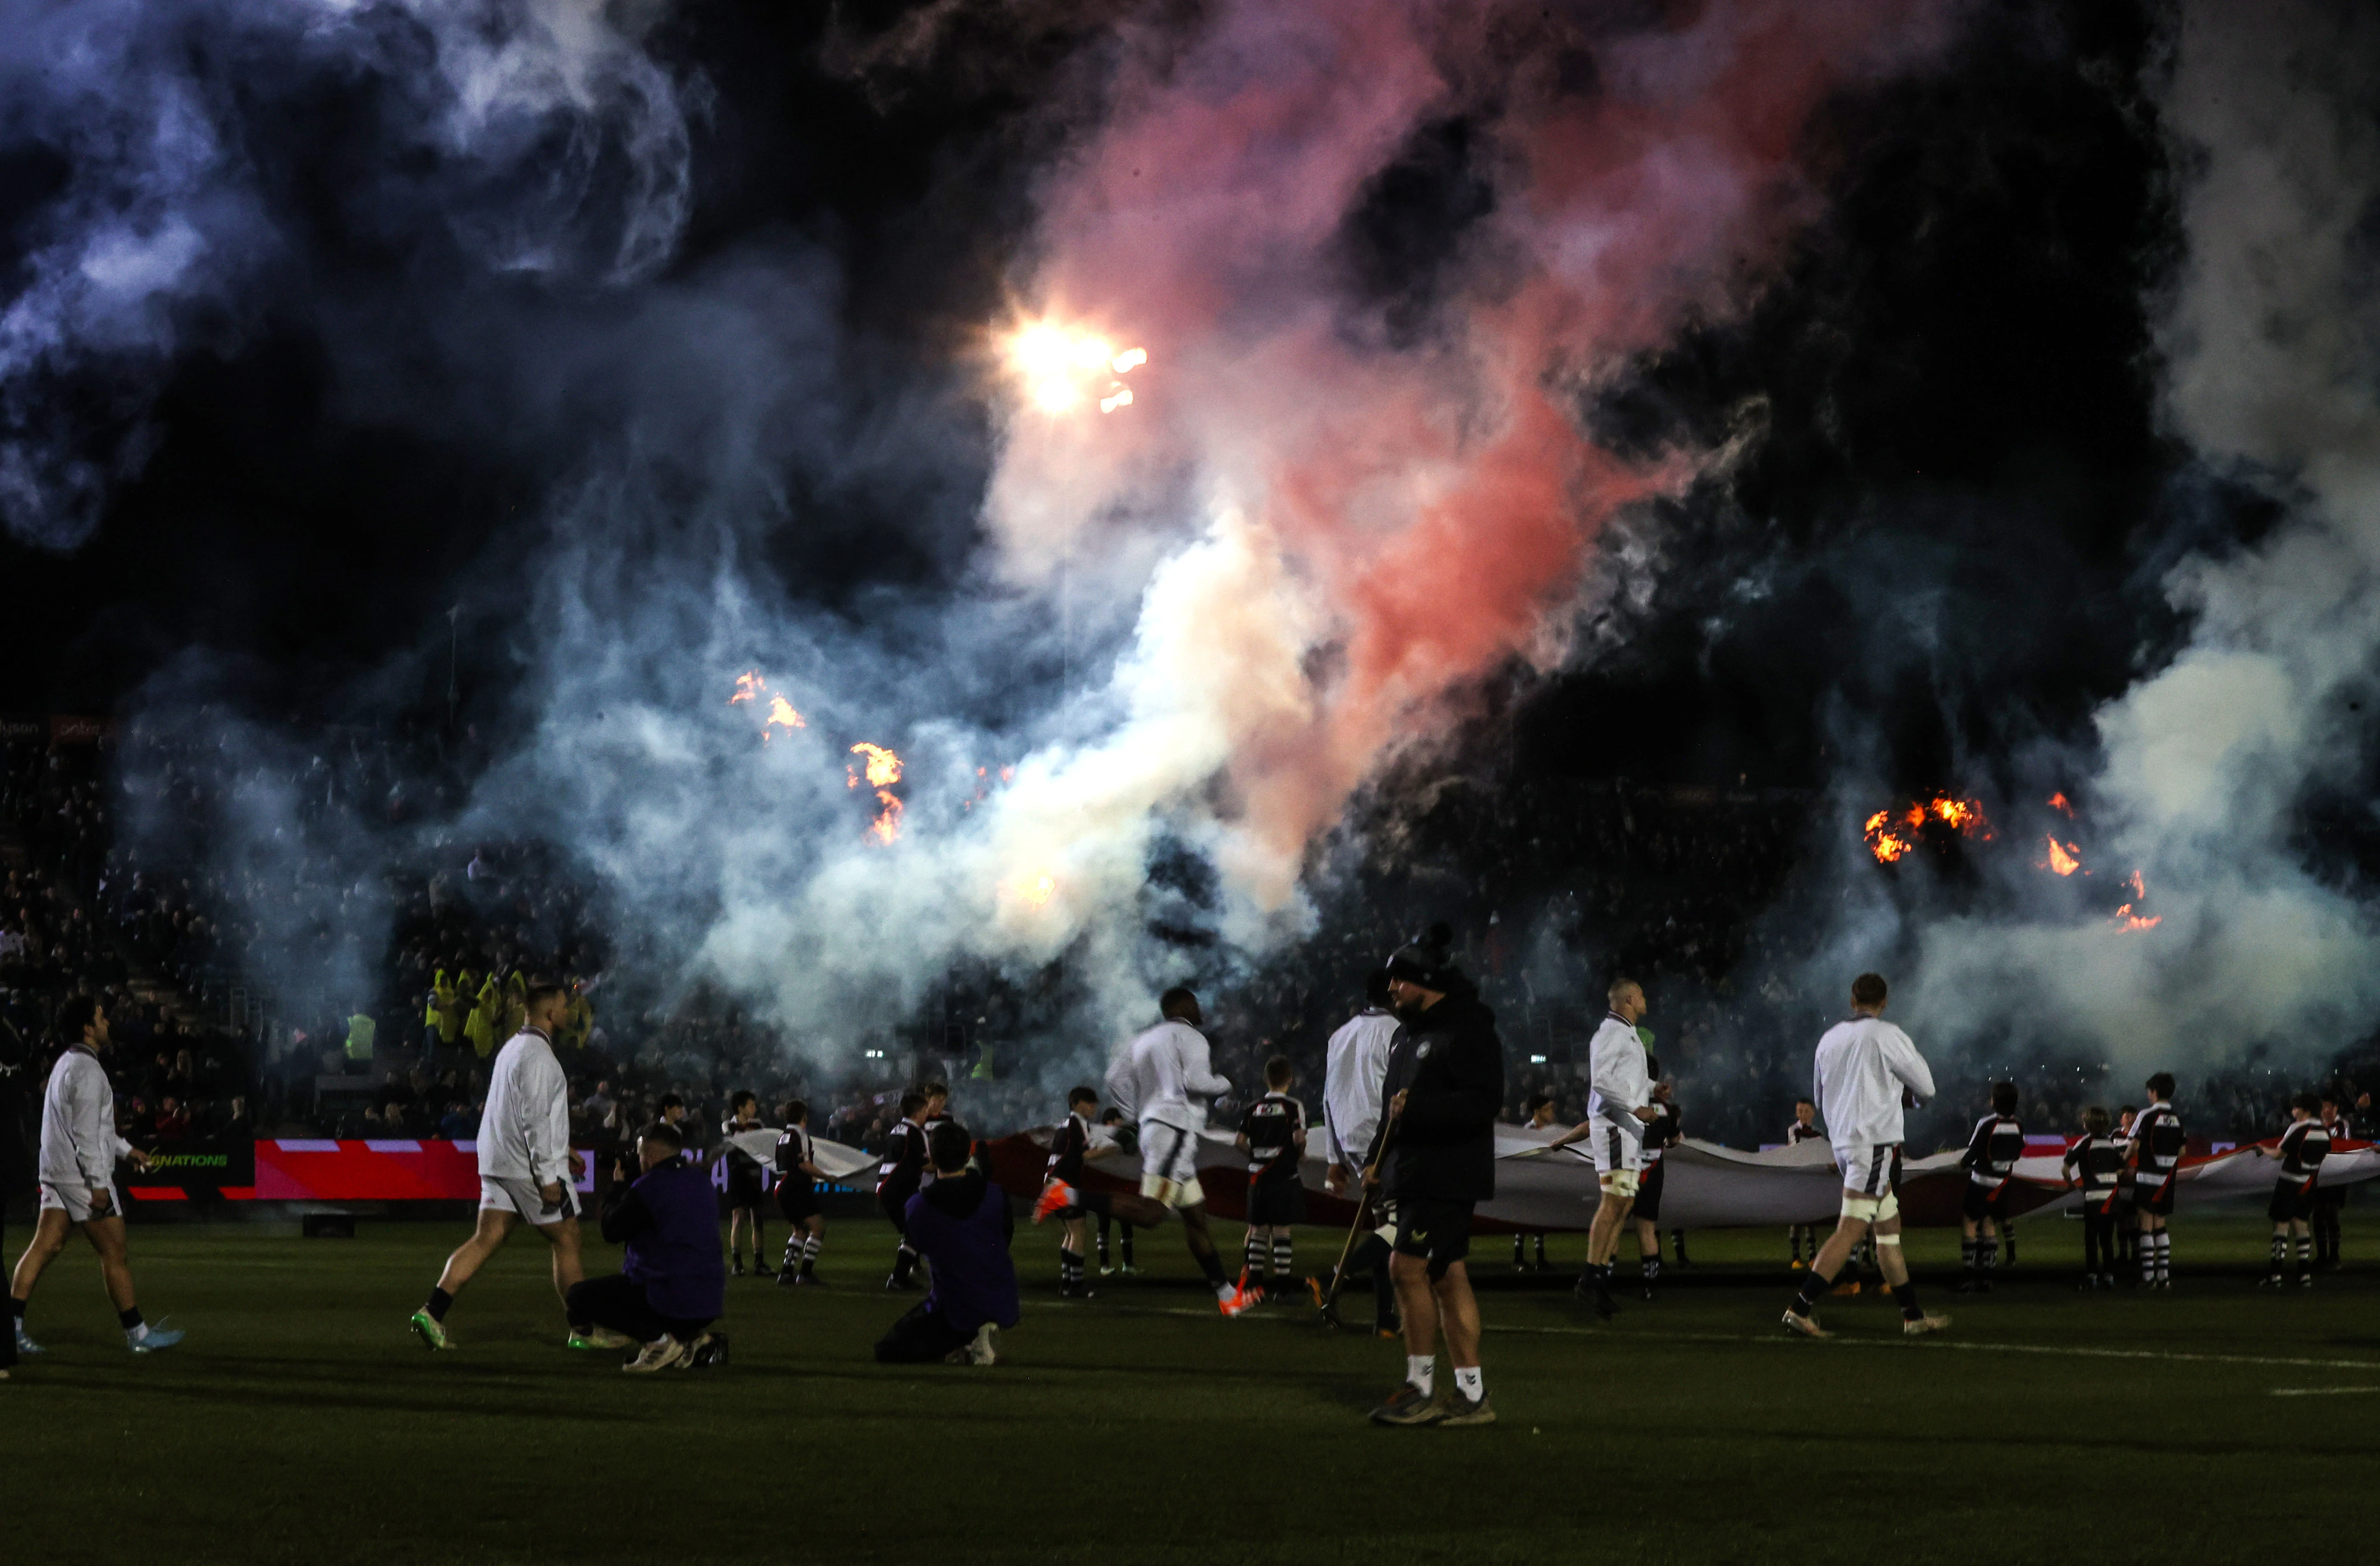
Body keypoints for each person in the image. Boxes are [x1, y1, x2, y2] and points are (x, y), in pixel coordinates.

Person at [1364, 925, 1502, 1429]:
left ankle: (1420, 1387)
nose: (1392, 989)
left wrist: (1418, 1109)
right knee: (1447, 1275)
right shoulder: (1405, 1035)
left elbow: (1483, 1102)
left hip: (1448, 1171)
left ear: (1425, 979)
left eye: (1399, 980)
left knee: (1405, 1269)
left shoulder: (1468, 1029)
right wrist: (1374, 1159)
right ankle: (1471, 1393)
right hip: (1414, 1170)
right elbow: (1393, 1108)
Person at [8, 995, 184, 1366]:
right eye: (101, 1016)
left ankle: (11, 1326)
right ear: (88, 1028)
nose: (107, 1021)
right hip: (81, 1179)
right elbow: (87, 1135)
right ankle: (138, 1334)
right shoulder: (88, 1071)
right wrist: (99, 1185)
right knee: (114, 1252)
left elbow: (86, 1127)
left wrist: (125, 1150)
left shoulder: (66, 1065)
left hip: (57, 1171)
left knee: (47, 1245)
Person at [408, 979, 584, 1350]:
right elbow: (534, 1116)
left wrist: (562, 1148)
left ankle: (432, 1311)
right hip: (526, 1168)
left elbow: (512, 1110)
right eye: (565, 1006)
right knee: (567, 1238)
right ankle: (584, 1331)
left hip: (498, 1160)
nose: (569, 1011)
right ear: (551, 1013)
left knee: (486, 1237)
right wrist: (547, 1174)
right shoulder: (538, 1056)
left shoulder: (512, 1048)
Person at [1781, 973, 1949, 1340]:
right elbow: (1927, 1089)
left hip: (1844, 1142)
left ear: (1852, 1000)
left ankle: (1912, 1315)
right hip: (1872, 1145)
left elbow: (1820, 1097)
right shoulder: (1888, 1035)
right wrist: (1903, 1098)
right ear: (1884, 1001)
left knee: (1888, 1230)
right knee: (1851, 1229)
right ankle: (1799, 1307)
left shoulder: (1829, 1039)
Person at [1089, 987, 1259, 1315]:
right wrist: (1226, 1082)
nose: (1199, 1007)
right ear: (1179, 1006)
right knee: (1152, 1214)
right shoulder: (1191, 1037)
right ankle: (1068, 1195)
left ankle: (1227, 1296)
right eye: (1194, 1001)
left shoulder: (1144, 1038)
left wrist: (1137, 1114)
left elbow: (1114, 1078)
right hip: (1175, 1128)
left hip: (1159, 1125)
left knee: (1196, 1217)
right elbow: (1197, 1082)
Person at [568, 1120, 728, 1372]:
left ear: (650, 1157)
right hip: (710, 1300)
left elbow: (611, 1231)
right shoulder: (701, 1181)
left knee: (579, 1297)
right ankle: (693, 1337)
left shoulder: (651, 1186)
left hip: (669, 1295)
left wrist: (619, 1186)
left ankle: (659, 1342)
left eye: (639, 1155)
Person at [1547, 978, 1659, 1321]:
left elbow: (1626, 1078)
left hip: (1625, 1129)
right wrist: (1636, 1108)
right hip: (1614, 1127)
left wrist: (1655, 1088)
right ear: (1628, 998)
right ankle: (1590, 1277)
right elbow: (1601, 1081)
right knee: (1613, 1203)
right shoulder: (1610, 1033)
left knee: (1622, 1203)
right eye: (1640, 992)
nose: (1644, 997)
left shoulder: (1625, 1032)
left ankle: (1595, 1278)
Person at [875, 1122, 1019, 1366]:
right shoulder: (995, 1194)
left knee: (888, 1350)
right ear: (968, 1155)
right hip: (1002, 1298)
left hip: (956, 1306)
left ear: (932, 1156)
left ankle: (968, 1339)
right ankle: (975, 1333)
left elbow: (920, 1244)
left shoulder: (918, 1206)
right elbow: (1005, 1238)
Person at [1324, 969, 1400, 1332]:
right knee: (1405, 1225)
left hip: (1351, 1139)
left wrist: (1333, 1158)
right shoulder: (1396, 1032)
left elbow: (1325, 1097)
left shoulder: (1339, 1034)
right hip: (1382, 1138)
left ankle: (1385, 1318)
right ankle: (1337, 1275)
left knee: (1384, 1226)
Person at [1236, 1054, 1310, 1300]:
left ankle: (1254, 1287)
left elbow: (1239, 1142)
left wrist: (1257, 1156)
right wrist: (1298, 1154)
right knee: (1281, 1232)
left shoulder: (1253, 1108)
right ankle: (1283, 1289)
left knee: (1257, 1231)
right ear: (1290, 1079)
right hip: (1282, 1175)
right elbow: (1299, 1139)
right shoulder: (1292, 1106)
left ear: (1266, 1079)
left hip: (1257, 1177)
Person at [1033, 1085, 1103, 1298]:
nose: (1094, 1108)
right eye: (1089, 1103)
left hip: (1056, 1183)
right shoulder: (1076, 1124)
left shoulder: (1067, 1124)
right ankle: (1076, 1286)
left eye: (1095, 1104)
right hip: (1065, 1185)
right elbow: (1086, 1156)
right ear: (1076, 1105)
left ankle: (1066, 1282)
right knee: (1079, 1231)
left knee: (1071, 1233)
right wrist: (1115, 1150)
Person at [1958, 1081, 2024, 1293]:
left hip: (1981, 1181)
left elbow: (1975, 1150)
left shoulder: (1986, 1123)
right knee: (1990, 1226)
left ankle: (1969, 1277)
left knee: (1970, 1223)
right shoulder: (2018, 1125)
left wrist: (1961, 1164)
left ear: (1994, 1102)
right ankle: (1988, 1278)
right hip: (2002, 1184)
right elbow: (2017, 1153)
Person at [2261, 1093, 2330, 1289]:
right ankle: (2304, 1274)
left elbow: (2278, 1154)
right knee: (2302, 1225)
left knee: (2281, 1226)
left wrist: (2262, 1149)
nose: (2293, 1112)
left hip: (2289, 1183)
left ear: (2305, 1110)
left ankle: (2275, 1274)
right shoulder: (2325, 1132)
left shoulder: (2299, 1129)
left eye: (2296, 1108)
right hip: (2309, 1185)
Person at [2126, 1074, 2184, 1289]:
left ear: (2154, 1092)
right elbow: (2183, 1149)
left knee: (2146, 1225)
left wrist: (2122, 1163)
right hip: (2167, 1179)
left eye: (2149, 1092)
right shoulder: (2176, 1117)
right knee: (2161, 1225)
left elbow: (2134, 1145)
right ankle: (2164, 1277)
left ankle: (2148, 1277)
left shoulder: (2147, 1115)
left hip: (2148, 1177)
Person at [1630, 1076, 1682, 1298]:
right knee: (1647, 1229)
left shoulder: (1630, 1102)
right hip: (1652, 1173)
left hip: (1626, 1167)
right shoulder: (1668, 1110)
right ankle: (1651, 1286)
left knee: (1612, 1224)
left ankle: (1601, 1282)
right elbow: (1674, 1141)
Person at [2063, 1106, 2124, 1290]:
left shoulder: (2084, 1144)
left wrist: (2073, 1185)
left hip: (2094, 1198)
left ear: (2087, 1125)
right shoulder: (2110, 1144)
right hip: (2112, 1198)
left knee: (2091, 1239)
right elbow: (2121, 1168)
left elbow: (2066, 1167)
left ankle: (2092, 1277)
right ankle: (2109, 1276)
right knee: (2107, 1240)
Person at [877, 1091, 932, 1290]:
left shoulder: (897, 1129)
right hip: (898, 1186)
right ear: (918, 1112)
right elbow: (927, 1166)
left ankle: (908, 1271)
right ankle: (899, 1277)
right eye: (926, 1110)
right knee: (918, 1228)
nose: (927, 1114)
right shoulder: (916, 1132)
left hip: (887, 1185)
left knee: (917, 1229)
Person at [773, 1099, 828, 1287]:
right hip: (795, 1187)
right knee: (818, 1227)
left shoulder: (783, 1136)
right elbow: (804, 1165)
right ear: (803, 1115)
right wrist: (827, 1176)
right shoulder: (800, 1135)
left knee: (800, 1230)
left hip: (781, 1188)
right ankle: (805, 1273)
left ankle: (787, 1273)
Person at [720, 1090, 771, 1278]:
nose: (755, 1108)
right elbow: (733, 1144)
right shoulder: (729, 1125)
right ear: (740, 1108)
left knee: (757, 1219)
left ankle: (759, 1262)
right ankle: (737, 1263)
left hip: (755, 1177)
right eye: (751, 1105)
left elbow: (763, 1144)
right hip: (738, 1178)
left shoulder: (758, 1125)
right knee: (738, 1218)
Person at [1512, 1091, 1558, 1272]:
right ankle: (1518, 1259)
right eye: (1547, 1110)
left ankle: (1540, 1259)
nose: (1551, 1113)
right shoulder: (1528, 1131)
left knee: (1539, 1220)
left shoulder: (1548, 1131)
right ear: (1537, 1112)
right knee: (1523, 1221)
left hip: (1541, 1179)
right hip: (1528, 1181)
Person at [1092, 1107, 1139, 1277]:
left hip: (1110, 1186)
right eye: (1119, 1119)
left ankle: (1120, 1265)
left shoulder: (1102, 1135)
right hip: (1109, 1186)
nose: (1122, 1122)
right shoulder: (1108, 1135)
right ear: (1110, 1121)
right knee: (1107, 1227)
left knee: (1118, 1227)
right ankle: (1112, 1265)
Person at [2313, 1088, 2351, 1270]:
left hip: (2337, 1176)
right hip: (2320, 1176)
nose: (2326, 1111)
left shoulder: (2342, 1125)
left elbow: (2343, 1146)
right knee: (2318, 1214)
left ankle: (2335, 1257)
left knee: (2331, 1214)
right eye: (2323, 1107)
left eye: (2329, 1107)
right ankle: (2321, 1257)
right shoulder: (2315, 1125)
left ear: (2336, 1108)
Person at [1785, 1097, 1825, 1267]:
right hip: (1797, 1179)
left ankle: (1812, 1256)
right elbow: (1799, 1149)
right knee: (1797, 1218)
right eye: (1800, 1111)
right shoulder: (1794, 1130)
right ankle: (1796, 1257)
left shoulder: (1819, 1133)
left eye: (1806, 1111)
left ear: (1813, 1113)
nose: (1803, 1114)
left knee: (1811, 1218)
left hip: (1811, 1179)